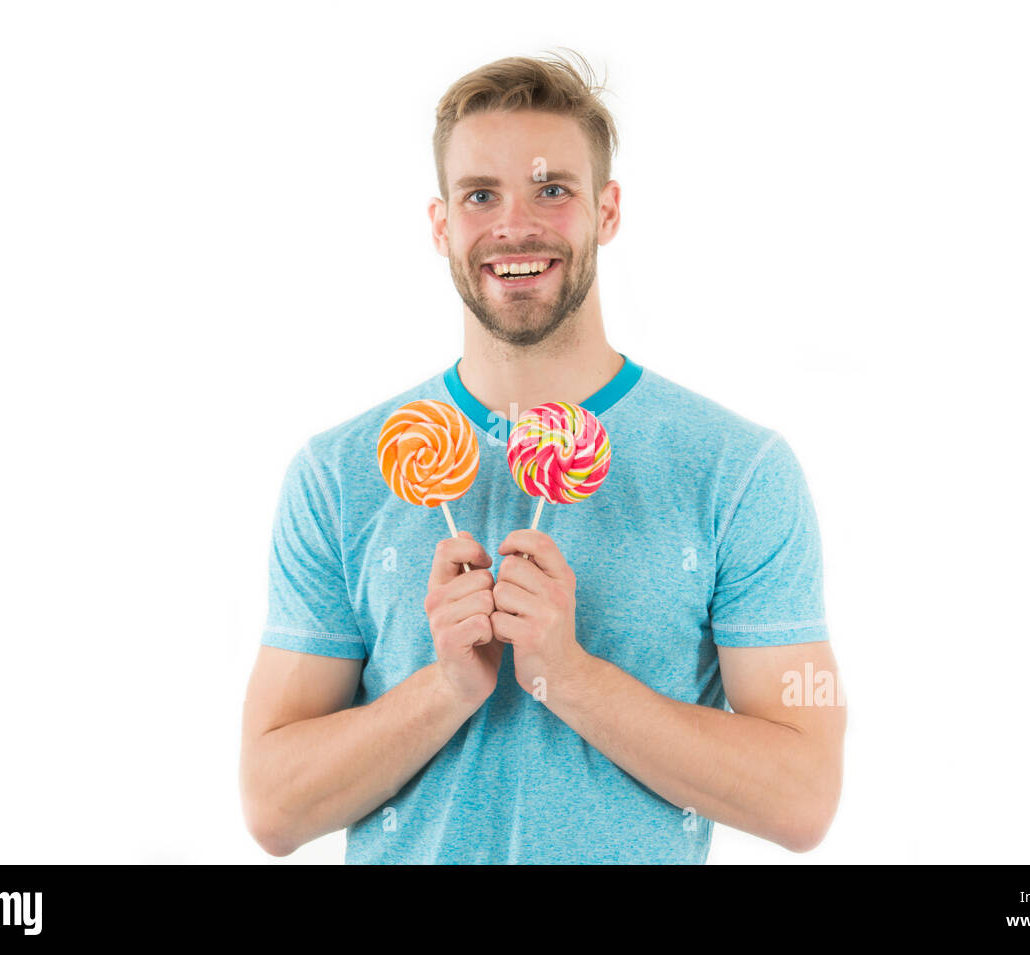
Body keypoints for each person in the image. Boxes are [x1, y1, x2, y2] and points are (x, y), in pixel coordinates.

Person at [239, 51, 846, 864]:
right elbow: (273, 806)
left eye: (552, 190)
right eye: (479, 195)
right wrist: (445, 688)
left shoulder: (738, 471)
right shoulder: (340, 473)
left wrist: (571, 673)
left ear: (608, 209)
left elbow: (802, 797)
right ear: (439, 224)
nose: (513, 225)